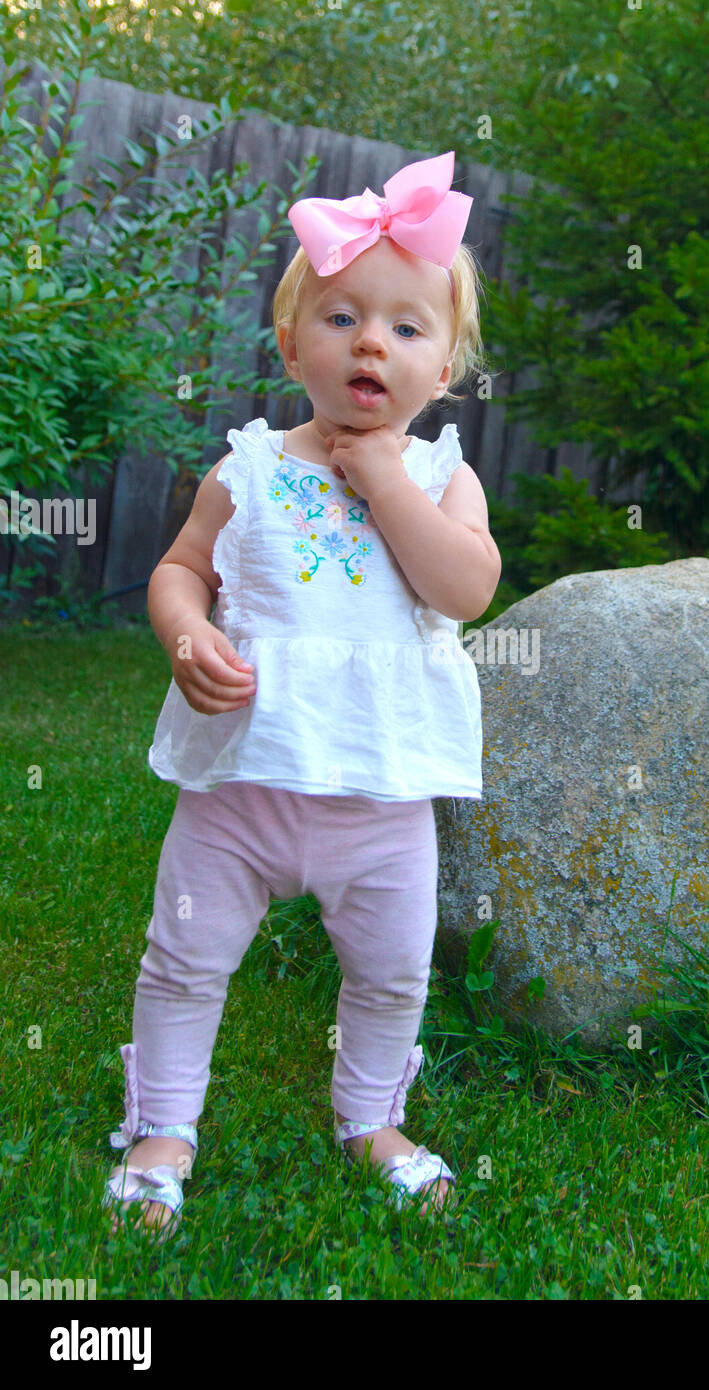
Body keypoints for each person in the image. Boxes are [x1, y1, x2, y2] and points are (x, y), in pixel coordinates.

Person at [101, 151, 500, 1239]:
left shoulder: (438, 477)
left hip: (378, 800)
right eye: (340, 317)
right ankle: (163, 1127)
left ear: (443, 366)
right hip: (241, 784)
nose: (372, 340)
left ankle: (370, 1116)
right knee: (182, 957)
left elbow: (463, 588)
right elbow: (182, 567)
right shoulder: (248, 467)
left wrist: (379, 475)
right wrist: (185, 628)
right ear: (291, 344)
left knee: (388, 971)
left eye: (407, 328)